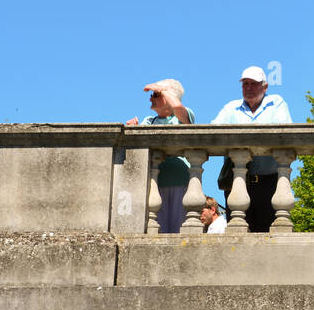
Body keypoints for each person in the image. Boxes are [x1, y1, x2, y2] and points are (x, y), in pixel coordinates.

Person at [212, 66, 293, 232]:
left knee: (268, 235)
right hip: (237, 182)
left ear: (265, 87)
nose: (248, 88)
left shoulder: (276, 103)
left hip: (269, 182)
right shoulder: (231, 108)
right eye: (245, 84)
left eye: (253, 84)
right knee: (237, 233)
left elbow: (284, 132)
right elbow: (213, 132)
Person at [126, 80, 195, 234]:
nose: (151, 98)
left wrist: (163, 90)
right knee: (156, 234)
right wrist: (133, 131)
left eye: (155, 94)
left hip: (181, 183)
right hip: (155, 185)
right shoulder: (149, 122)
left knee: (180, 234)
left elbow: (177, 108)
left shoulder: (183, 115)